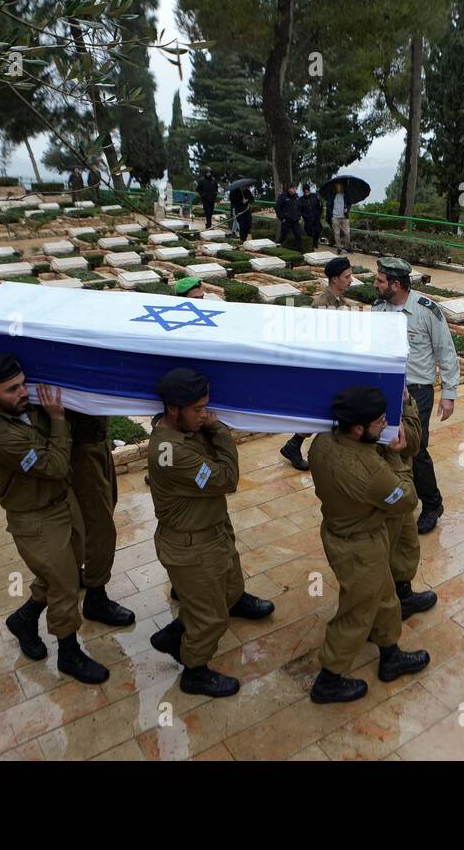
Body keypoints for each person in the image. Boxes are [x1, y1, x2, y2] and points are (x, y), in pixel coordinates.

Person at [0, 353, 109, 684]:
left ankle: (24, 618)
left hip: (63, 506)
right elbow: (55, 467)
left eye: (22, 385)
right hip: (36, 520)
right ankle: (69, 653)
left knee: (63, 570)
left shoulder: (25, 410)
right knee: (65, 586)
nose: (22, 393)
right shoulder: (0, 437)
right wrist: (58, 420)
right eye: (11, 390)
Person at [146, 368, 274, 697]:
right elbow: (226, 478)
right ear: (173, 409)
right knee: (212, 618)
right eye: (198, 409)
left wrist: (205, 423)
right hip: (192, 545)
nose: (205, 415)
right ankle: (195, 670)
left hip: (210, 529)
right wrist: (219, 429)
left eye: (206, 408)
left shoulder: (179, 428)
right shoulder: (173, 454)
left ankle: (178, 630)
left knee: (229, 584)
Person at [308, 386, 430, 704]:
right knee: (356, 613)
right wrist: (392, 454)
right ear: (359, 428)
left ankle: (390, 655)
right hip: (360, 546)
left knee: (385, 598)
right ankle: (329, 679)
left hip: (344, 534)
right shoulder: (370, 470)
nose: (385, 425)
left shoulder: (321, 442)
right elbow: (407, 499)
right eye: (379, 421)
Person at [372, 257, 459, 534]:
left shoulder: (425, 310)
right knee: (386, 443)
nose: (375, 284)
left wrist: (449, 393)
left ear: (396, 285)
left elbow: (445, 350)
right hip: (387, 388)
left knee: (415, 448)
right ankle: (394, 498)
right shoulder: (379, 309)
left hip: (417, 392)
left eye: (380, 280)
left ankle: (432, 504)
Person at [277, 257, 356, 471]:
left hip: (335, 365)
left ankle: (295, 445)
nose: (351, 280)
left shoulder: (340, 301)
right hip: (324, 368)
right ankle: (301, 447)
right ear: (334, 279)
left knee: (325, 411)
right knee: (325, 411)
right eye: (347, 277)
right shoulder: (323, 304)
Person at [67, 409, 137, 626]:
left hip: (97, 438)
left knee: (103, 509)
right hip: (80, 445)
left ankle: (81, 572)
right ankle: (95, 597)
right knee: (100, 527)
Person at [380, 389, 437, 618]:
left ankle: (402, 595)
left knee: (406, 541)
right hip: (386, 485)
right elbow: (411, 445)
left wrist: (407, 402)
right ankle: (382, 615)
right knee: (383, 550)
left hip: (395, 483)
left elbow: (412, 443)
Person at [326, 181, 352, 253]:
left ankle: (348, 247)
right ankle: (339, 248)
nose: (338, 187)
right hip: (335, 217)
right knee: (336, 233)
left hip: (344, 217)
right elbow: (329, 205)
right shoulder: (332, 195)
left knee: (347, 233)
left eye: (339, 186)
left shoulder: (346, 195)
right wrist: (331, 215)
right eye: (337, 186)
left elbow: (349, 204)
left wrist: (347, 209)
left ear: (342, 187)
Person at [276, 183, 303, 251]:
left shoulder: (296, 196)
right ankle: (276, 248)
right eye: (293, 188)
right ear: (289, 189)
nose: (295, 190)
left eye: (295, 188)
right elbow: (277, 207)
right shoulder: (282, 196)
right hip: (286, 220)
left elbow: (300, 207)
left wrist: (298, 216)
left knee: (298, 235)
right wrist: (282, 218)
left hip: (295, 220)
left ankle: (298, 252)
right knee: (283, 236)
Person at [299, 183, 323, 251]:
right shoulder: (301, 199)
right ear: (303, 191)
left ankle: (315, 242)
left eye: (308, 190)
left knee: (318, 230)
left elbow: (320, 206)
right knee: (309, 233)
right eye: (305, 191)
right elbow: (301, 210)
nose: (307, 192)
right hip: (307, 219)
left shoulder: (314, 196)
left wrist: (319, 214)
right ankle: (311, 245)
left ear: (309, 190)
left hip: (316, 218)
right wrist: (305, 216)